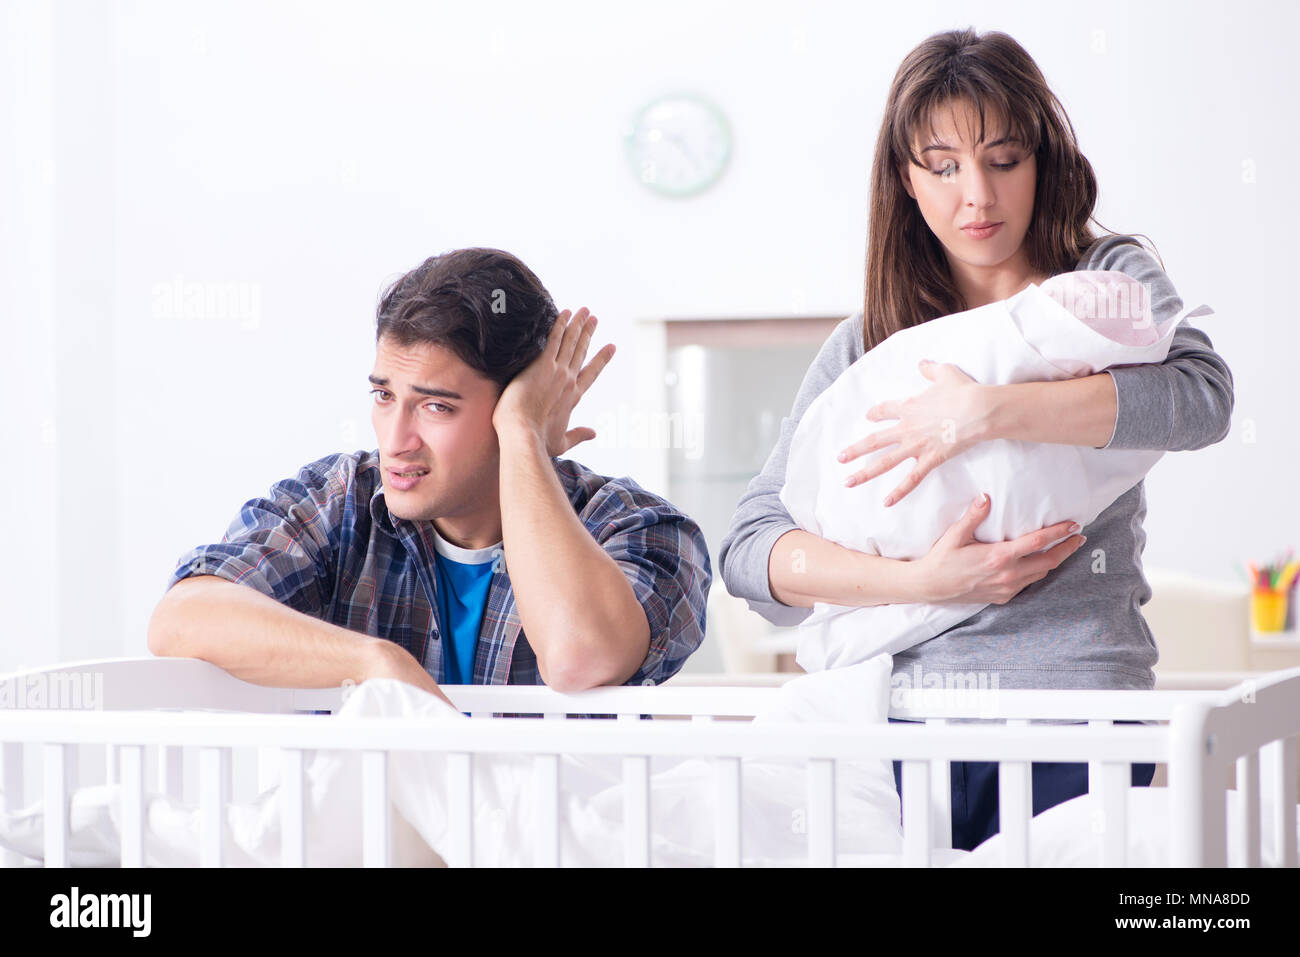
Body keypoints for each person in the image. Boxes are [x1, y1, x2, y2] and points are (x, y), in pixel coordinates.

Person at [718, 28, 1234, 851]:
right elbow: (750, 555)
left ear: (1042, 160)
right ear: (907, 180)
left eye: (1004, 159)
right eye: (944, 166)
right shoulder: (871, 343)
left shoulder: (1105, 280)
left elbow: (1201, 399)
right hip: (905, 719)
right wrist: (927, 579)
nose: (979, 197)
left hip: (1077, 705)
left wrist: (989, 411)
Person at [148, 248, 711, 698]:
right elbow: (181, 618)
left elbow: (577, 658)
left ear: (527, 400)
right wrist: (377, 663)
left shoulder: (638, 526)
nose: (396, 441)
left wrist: (522, 436)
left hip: (554, 838)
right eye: (384, 396)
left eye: (437, 406)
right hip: (378, 839)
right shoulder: (343, 499)